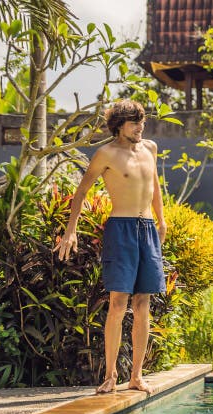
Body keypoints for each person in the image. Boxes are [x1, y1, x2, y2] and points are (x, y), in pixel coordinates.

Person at [55, 99, 166, 395]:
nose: (140, 127)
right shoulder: (106, 153)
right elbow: (81, 193)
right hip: (122, 229)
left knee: (143, 304)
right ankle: (110, 374)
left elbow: (154, 186)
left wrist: (162, 221)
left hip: (147, 229)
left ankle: (137, 376)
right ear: (119, 125)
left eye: (142, 121)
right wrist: (71, 230)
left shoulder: (150, 148)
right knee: (118, 304)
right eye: (134, 122)